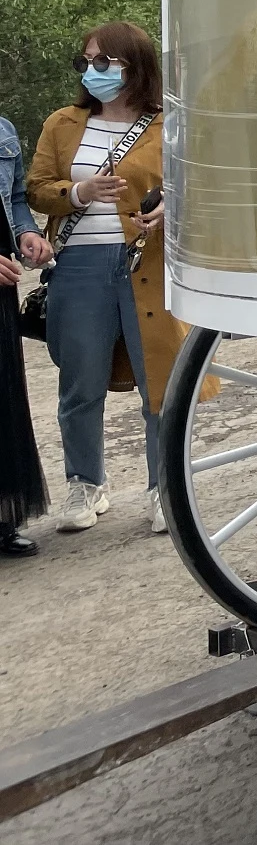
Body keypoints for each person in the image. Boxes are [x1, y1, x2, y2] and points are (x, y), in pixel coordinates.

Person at [26, 22, 181, 535]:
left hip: (148, 263)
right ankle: (86, 484)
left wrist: (172, 208)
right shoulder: (63, 123)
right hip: (79, 265)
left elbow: (197, 183)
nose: (91, 72)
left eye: (103, 63)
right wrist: (78, 192)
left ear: (133, 67)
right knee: (80, 383)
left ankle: (165, 489)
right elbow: (36, 189)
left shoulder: (169, 123)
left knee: (158, 381)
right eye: (85, 62)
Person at [2, 114, 55, 555]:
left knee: (2, 396)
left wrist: (26, 230)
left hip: (2, 276)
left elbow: (17, 197)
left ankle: (1, 517)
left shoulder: (3, 129)